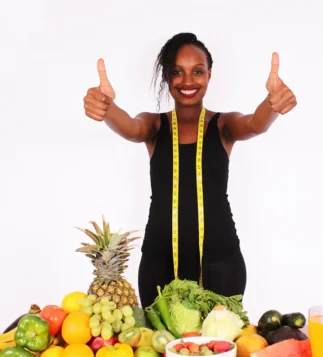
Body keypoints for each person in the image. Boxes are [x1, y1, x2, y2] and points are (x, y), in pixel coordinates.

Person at [83, 33, 297, 308]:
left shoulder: (223, 126)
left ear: (209, 75)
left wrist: (272, 104)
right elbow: (131, 128)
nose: (187, 81)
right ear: (167, 77)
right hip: (159, 265)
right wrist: (107, 107)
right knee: (157, 348)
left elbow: (255, 124)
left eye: (197, 71)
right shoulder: (154, 126)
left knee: (221, 346)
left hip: (221, 264)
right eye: (177, 72)